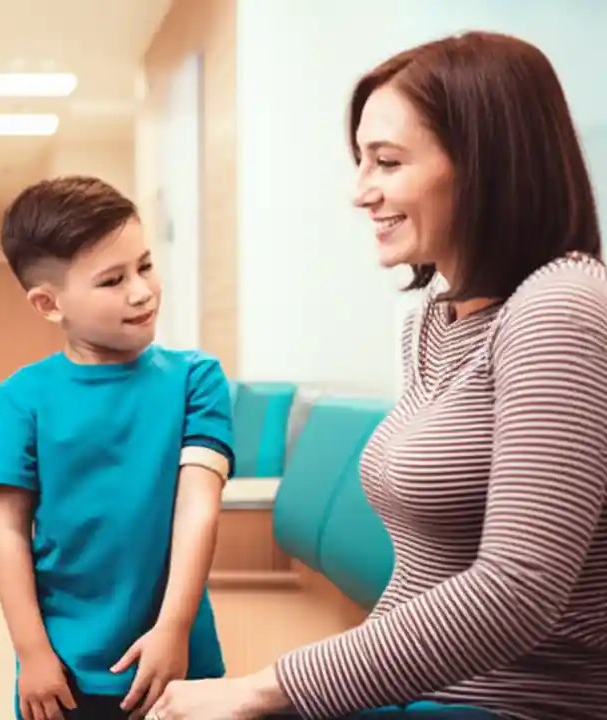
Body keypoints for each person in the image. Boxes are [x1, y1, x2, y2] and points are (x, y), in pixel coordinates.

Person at [147, 31, 607, 720]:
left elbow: (520, 587)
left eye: (387, 162)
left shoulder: (562, 307)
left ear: (485, 165)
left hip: (514, 702)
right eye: (360, 161)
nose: (361, 193)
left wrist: (269, 687)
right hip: (423, 688)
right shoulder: (434, 320)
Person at [0, 176, 235, 720]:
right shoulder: (23, 397)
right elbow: (8, 530)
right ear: (48, 304)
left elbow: (197, 507)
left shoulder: (196, 379)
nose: (140, 291)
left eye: (144, 266)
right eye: (112, 280)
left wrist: (174, 628)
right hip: (62, 672)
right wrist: (32, 653)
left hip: (175, 655)